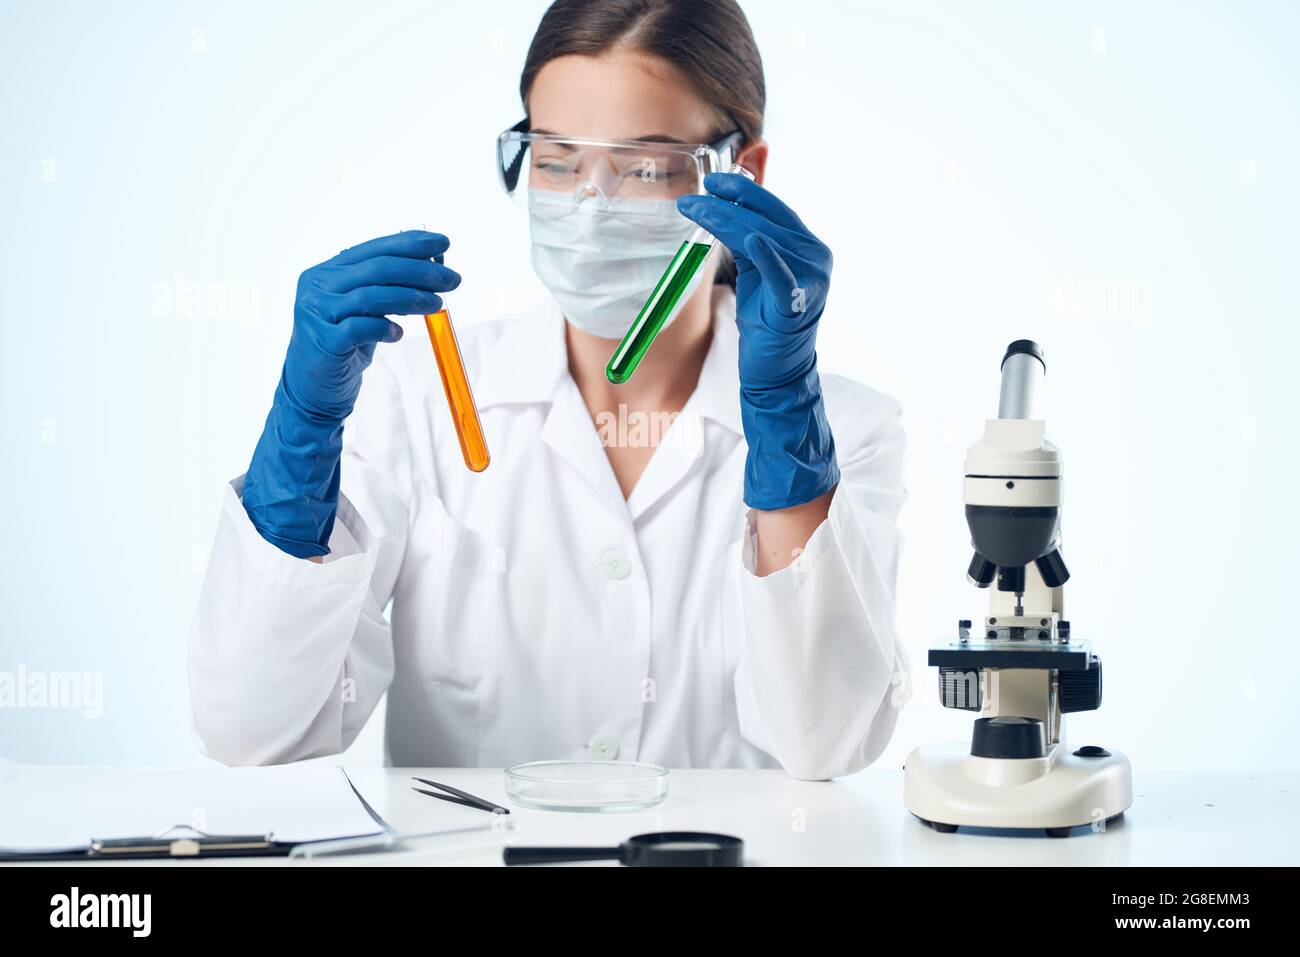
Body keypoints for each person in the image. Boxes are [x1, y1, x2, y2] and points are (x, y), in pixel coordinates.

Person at [188, 0, 909, 780]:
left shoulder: (845, 427)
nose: (590, 207)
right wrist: (300, 428)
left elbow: (825, 739)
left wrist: (783, 419)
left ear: (744, 174)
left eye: (643, 166)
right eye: (558, 160)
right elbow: (250, 727)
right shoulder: (421, 394)